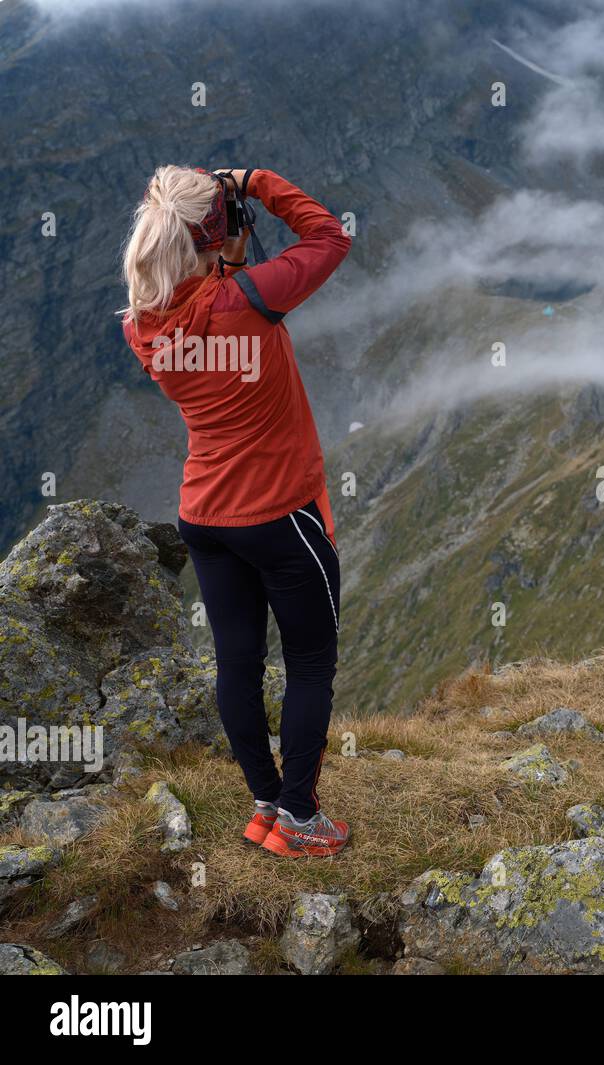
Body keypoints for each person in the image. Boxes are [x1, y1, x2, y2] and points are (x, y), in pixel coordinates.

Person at [120, 166, 351, 857]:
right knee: (311, 662)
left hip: (205, 516)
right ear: (213, 236)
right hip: (279, 511)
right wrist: (258, 179)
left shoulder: (143, 325)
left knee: (237, 663)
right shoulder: (248, 299)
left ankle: (265, 803)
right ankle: (301, 820)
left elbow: (205, 298)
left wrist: (223, 247)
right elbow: (329, 236)